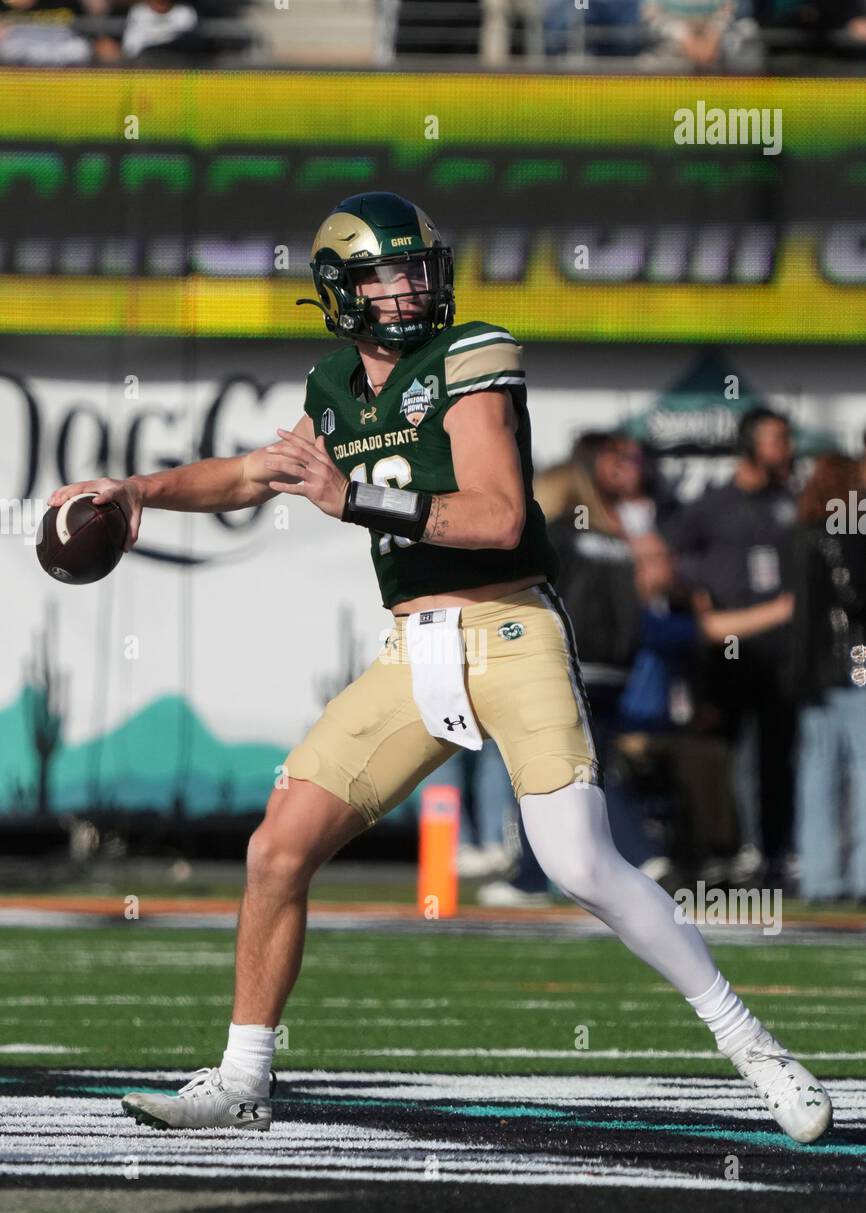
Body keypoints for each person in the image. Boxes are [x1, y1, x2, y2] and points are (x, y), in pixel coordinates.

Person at [49, 191, 831, 1144]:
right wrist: (140, 490)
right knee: (275, 849)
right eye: (389, 272)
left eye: (421, 266)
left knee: (581, 861)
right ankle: (245, 1075)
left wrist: (357, 495)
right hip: (411, 649)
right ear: (341, 290)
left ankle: (756, 1050)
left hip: (509, 631)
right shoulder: (335, 383)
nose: (414, 285)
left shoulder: (471, 356)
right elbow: (258, 473)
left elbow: (499, 516)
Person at [663, 407, 799, 889]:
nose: (787, 450)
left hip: (783, 653)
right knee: (727, 753)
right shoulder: (713, 504)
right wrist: (699, 599)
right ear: (749, 445)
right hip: (730, 650)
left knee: (778, 756)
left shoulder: (789, 502)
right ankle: (731, 849)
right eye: (776, 440)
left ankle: (776, 851)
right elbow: (669, 557)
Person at [787, 453, 866, 903]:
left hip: (817, 673)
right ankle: (858, 877)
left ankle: (821, 876)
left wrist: (798, 675)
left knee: (817, 772)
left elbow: (802, 618)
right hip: (856, 663)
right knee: (860, 770)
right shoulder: (850, 533)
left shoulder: (805, 535)